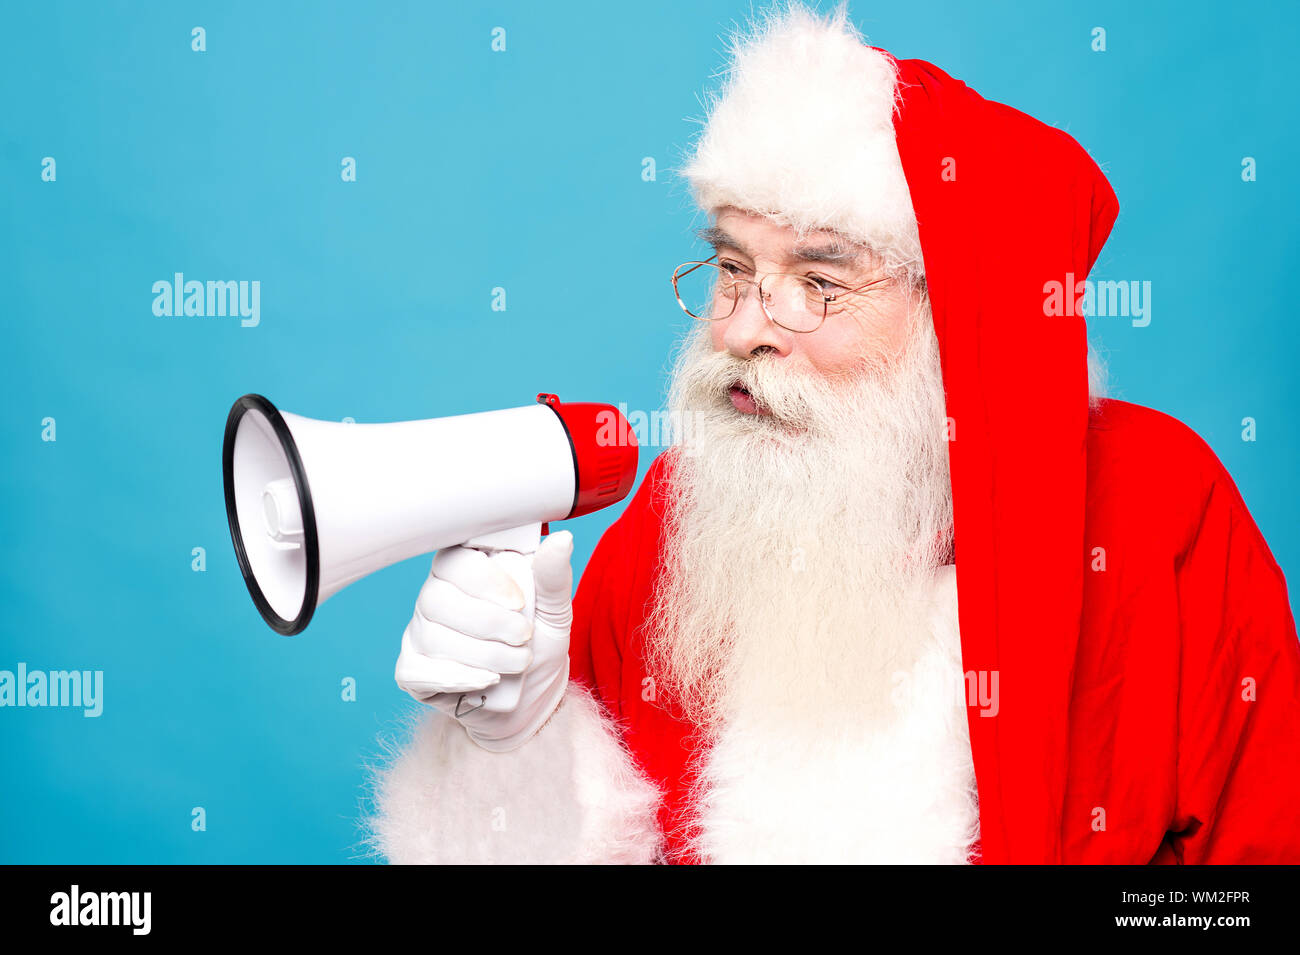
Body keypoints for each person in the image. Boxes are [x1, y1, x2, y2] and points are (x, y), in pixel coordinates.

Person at [364, 1, 1300, 864]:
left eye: (820, 282)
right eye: (734, 267)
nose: (740, 328)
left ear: (959, 321)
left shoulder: (1161, 507)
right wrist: (511, 752)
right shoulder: (676, 521)